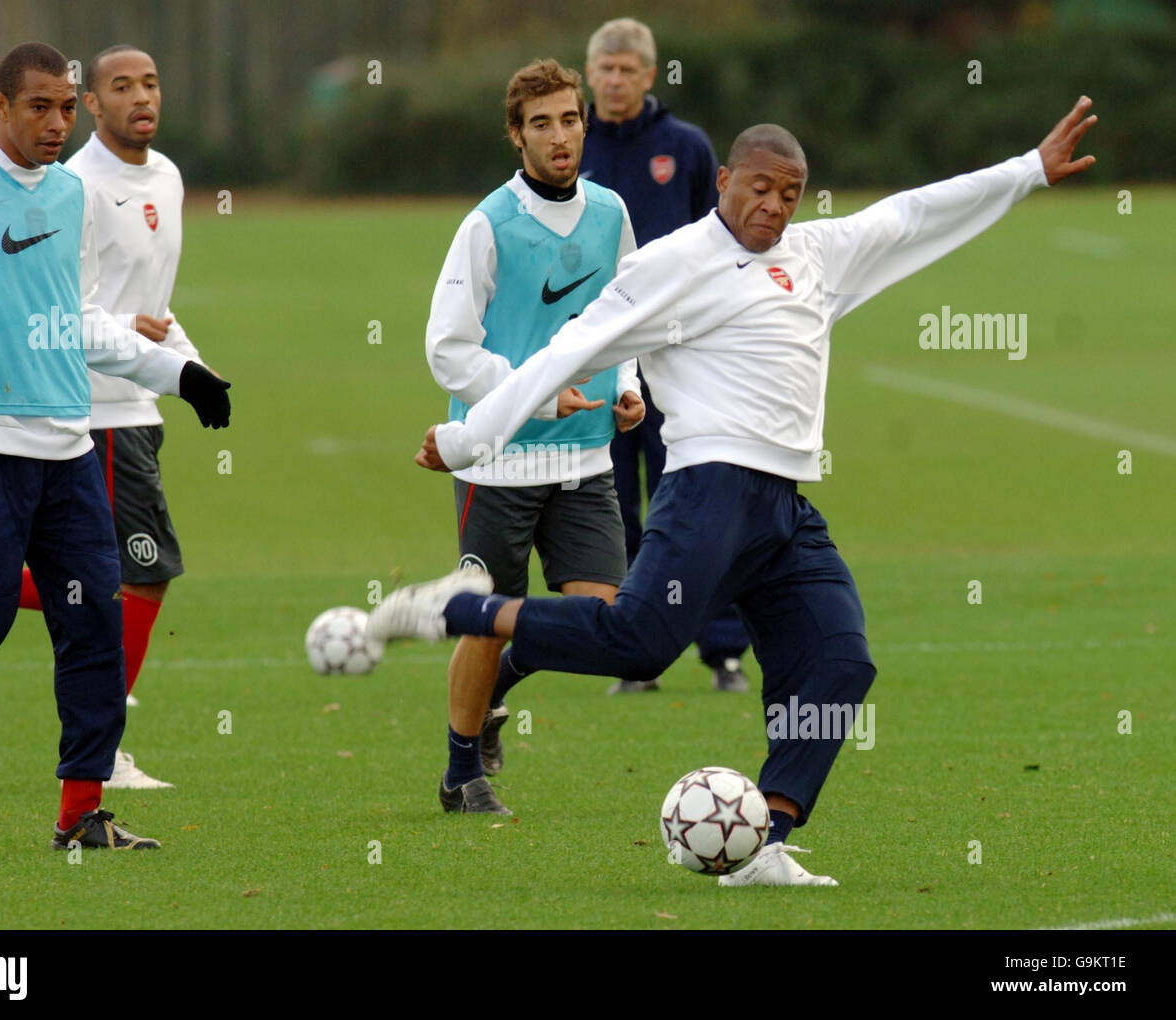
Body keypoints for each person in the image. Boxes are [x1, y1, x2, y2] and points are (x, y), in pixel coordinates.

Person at [370, 98, 1098, 884]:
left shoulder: (817, 254)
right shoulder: (674, 264)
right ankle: (455, 609)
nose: (773, 206)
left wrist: (1028, 170)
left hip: (784, 507)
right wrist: (468, 438)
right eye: (759, 188)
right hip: (708, 489)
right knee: (641, 643)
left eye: (789, 193)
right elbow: (565, 351)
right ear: (723, 181)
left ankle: (769, 843)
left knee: (839, 663)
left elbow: (913, 215)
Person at [0, 42, 232, 850]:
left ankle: (82, 817)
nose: (57, 122)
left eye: (67, 107)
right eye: (40, 106)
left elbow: (78, 320)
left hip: (65, 437)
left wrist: (182, 372)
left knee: (95, 621)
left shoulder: (71, 193)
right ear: (0, 105)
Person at [425, 58, 643, 814]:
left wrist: (632, 391)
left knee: (603, 620)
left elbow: (629, 319)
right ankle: (461, 773)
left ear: (586, 124)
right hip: (498, 462)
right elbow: (446, 350)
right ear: (515, 135)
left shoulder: (613, 214)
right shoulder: (488, 224)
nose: (560, 136)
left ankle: (493, 695)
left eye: (570, 119)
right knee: (484, 624)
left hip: (586, 461)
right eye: (542, 123)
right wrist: (539, 399)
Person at [581, 17, 751, 694]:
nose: (616, 80)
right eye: (606, 69)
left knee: (698, 498)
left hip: (681, 356)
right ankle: (635, 655)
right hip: (603, 354)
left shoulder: (685, 149)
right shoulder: (571, 146)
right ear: (589, 73)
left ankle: (724, 650)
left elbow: (724, 241)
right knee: (614, 504)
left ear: (650, 76)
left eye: (629, 70)